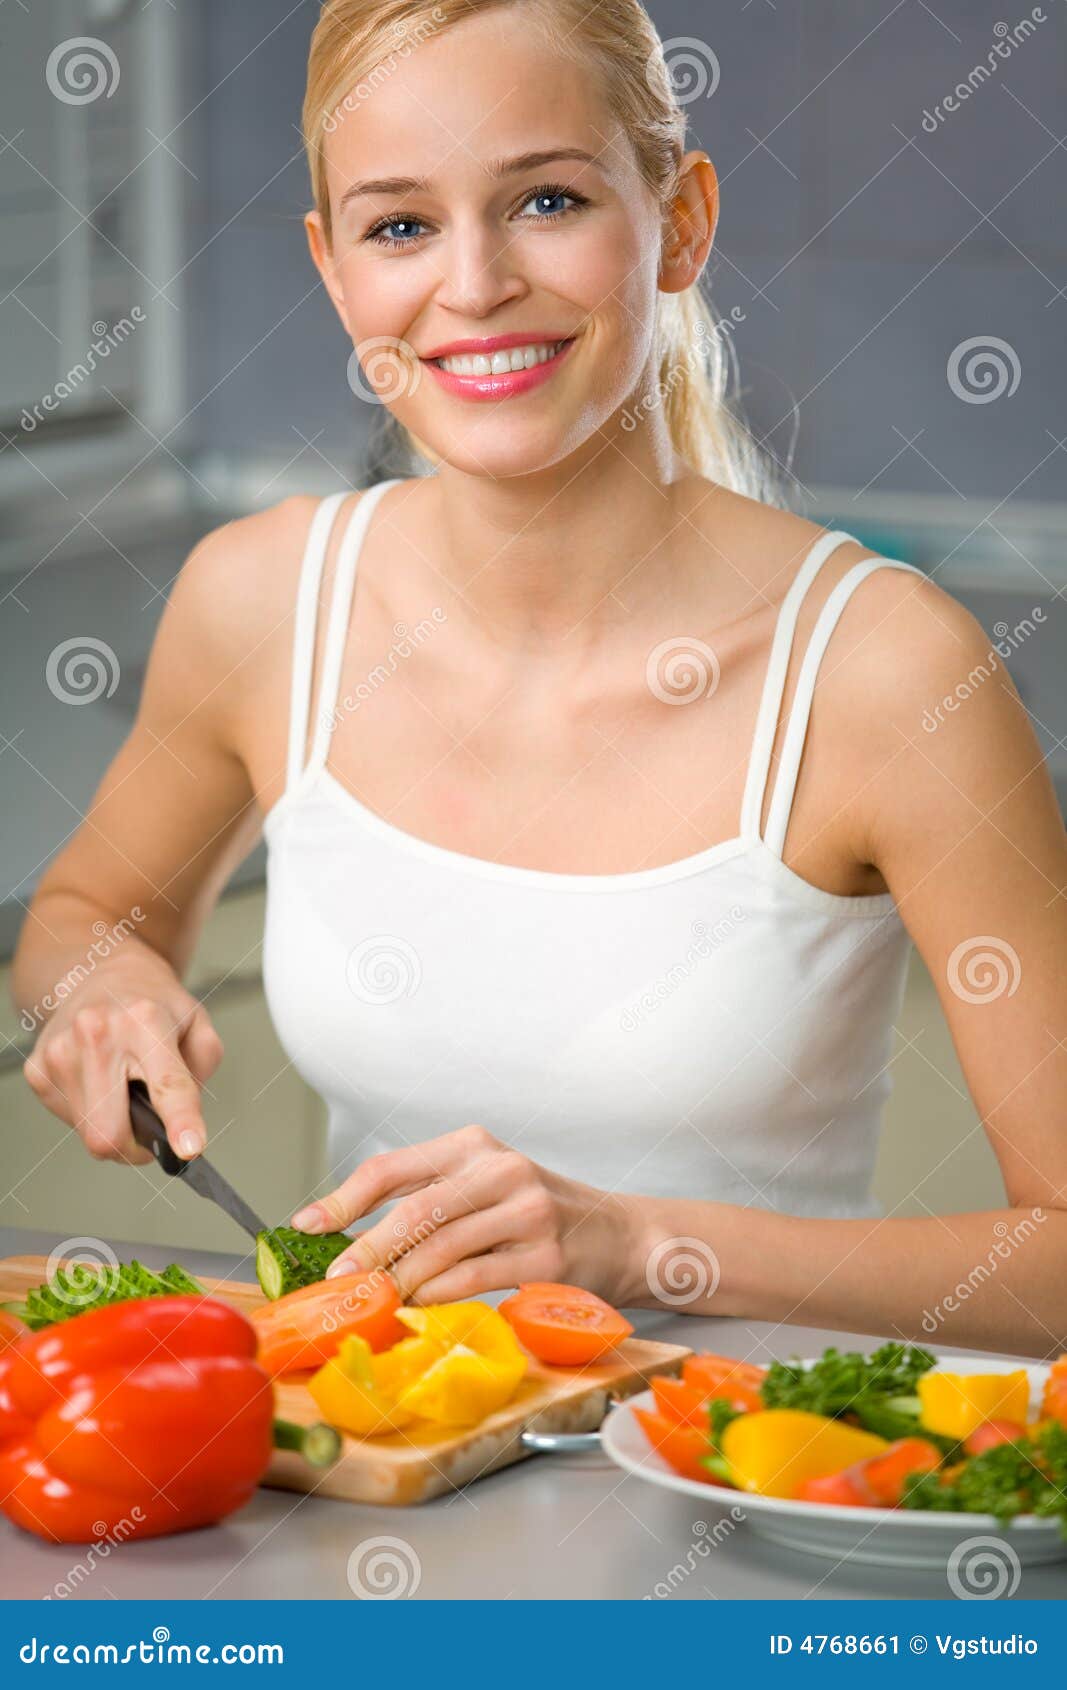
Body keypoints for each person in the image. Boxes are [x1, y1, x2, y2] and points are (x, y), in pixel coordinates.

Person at [14, 0, 1066, 1353]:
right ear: (337, 275)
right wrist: (100, 993)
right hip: (379, 1471)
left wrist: (640, 1244)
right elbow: (90, 911)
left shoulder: (885, 674)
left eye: (547, 200)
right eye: (401, 226)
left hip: (747, 1491)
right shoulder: (263, 601)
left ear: (680, 222)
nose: (472, 285)